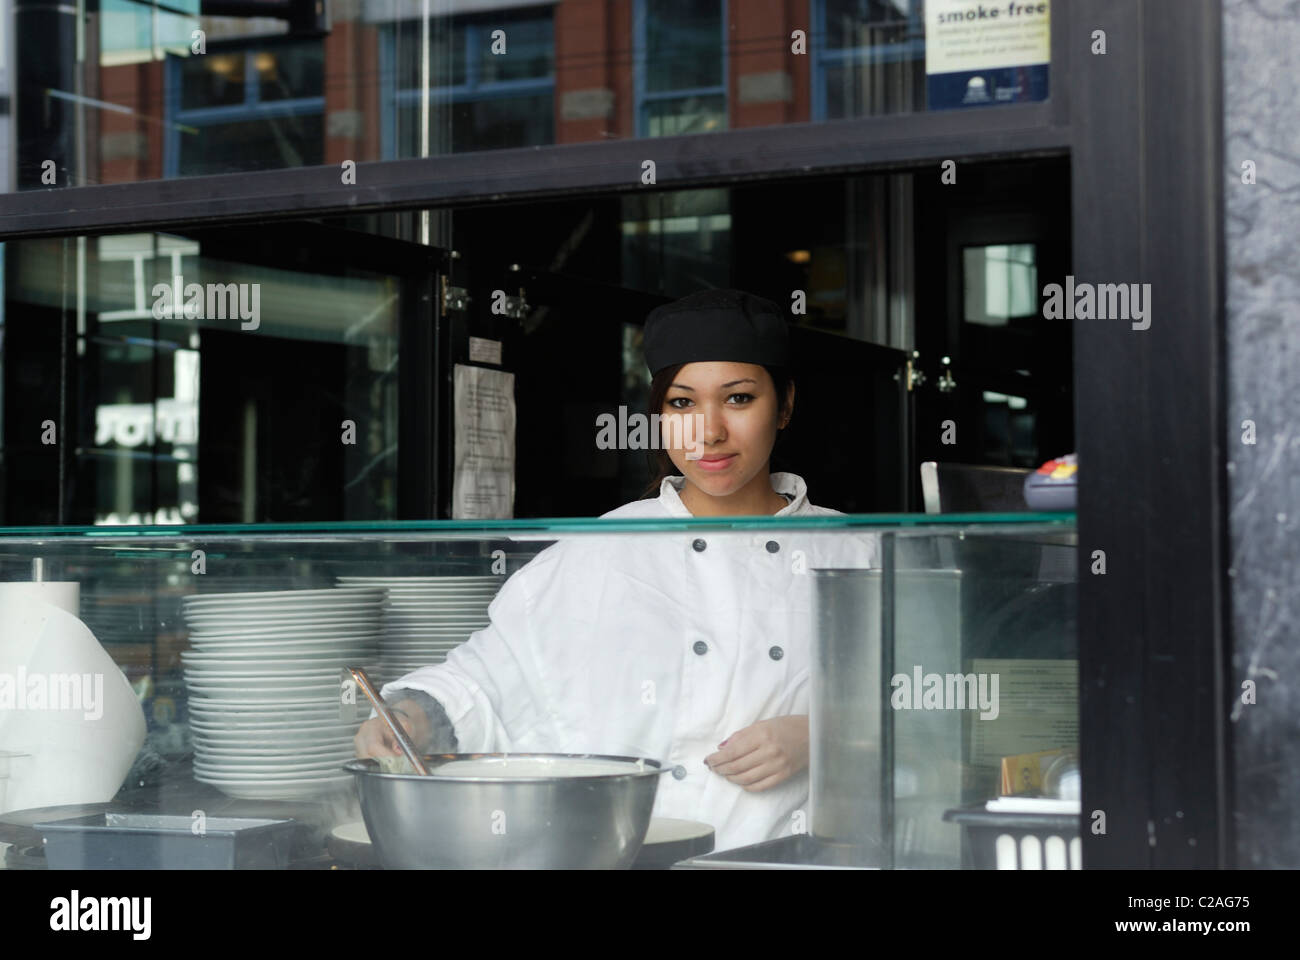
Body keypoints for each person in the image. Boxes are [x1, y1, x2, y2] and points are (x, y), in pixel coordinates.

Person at [354, 288, 879, 851]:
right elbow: (489, 677)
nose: (708, 432)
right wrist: (411, 715)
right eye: (682, 404)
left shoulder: (855, 551)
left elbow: (929, 716)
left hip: (788, 859)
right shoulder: (605, 547)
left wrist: (825, 737)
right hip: (628, 854)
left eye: (739, 398)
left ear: (786, 405)